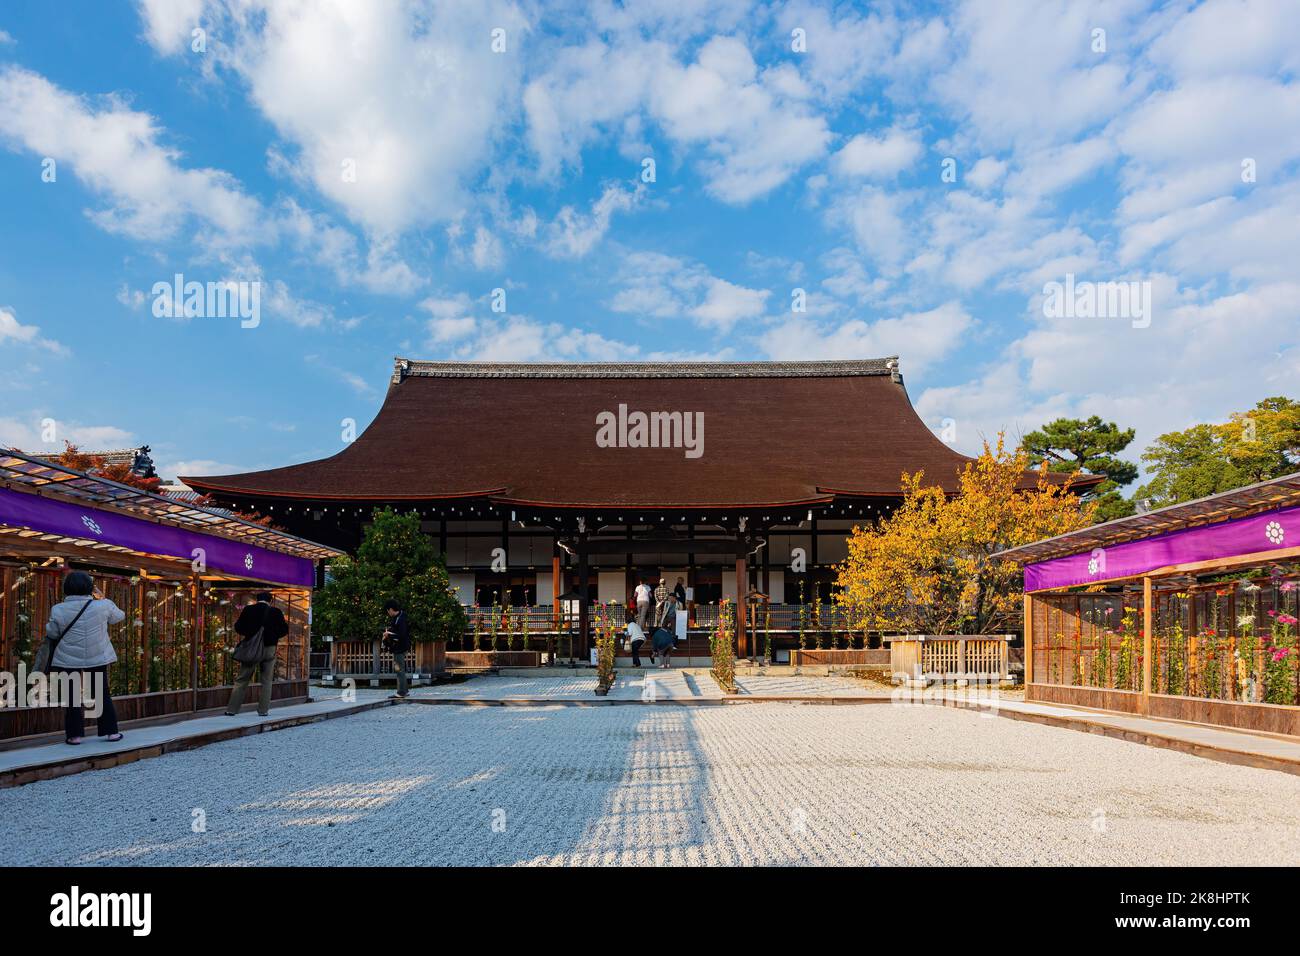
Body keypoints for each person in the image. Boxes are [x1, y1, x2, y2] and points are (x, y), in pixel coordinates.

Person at [46, 571, 124, 745]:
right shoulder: (103, 605)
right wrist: (102, 597)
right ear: (90, 587)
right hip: (97, 656)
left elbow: (53, 632)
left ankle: (74, 736)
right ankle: (111, 733)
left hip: (68, 658)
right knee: (101, 693)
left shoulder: (58, 609)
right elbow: (119, 617)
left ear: (67, 588)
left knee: (71, 696)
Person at [224, 592, 289, 717]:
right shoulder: (276, 612)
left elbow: (238, 627)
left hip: (251, 649)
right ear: (270, 601)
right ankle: (263, 710)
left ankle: (232, 709)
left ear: (257, 600)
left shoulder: (249, 610)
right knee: (267, 680)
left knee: (242, 679)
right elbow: (284, 630)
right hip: (269, 648)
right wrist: (273, 635)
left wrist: (250, 634)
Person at [383, 599, 411, 698]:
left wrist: (389, 634)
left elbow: (401, 635)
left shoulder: (401, 619)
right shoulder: (399, 616)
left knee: (399, 669)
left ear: (391, 609)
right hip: (400, 646)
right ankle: (405, 690)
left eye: (388, 611)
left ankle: (401, 692)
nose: (388, 613)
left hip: (400, 646)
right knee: (400, 669)